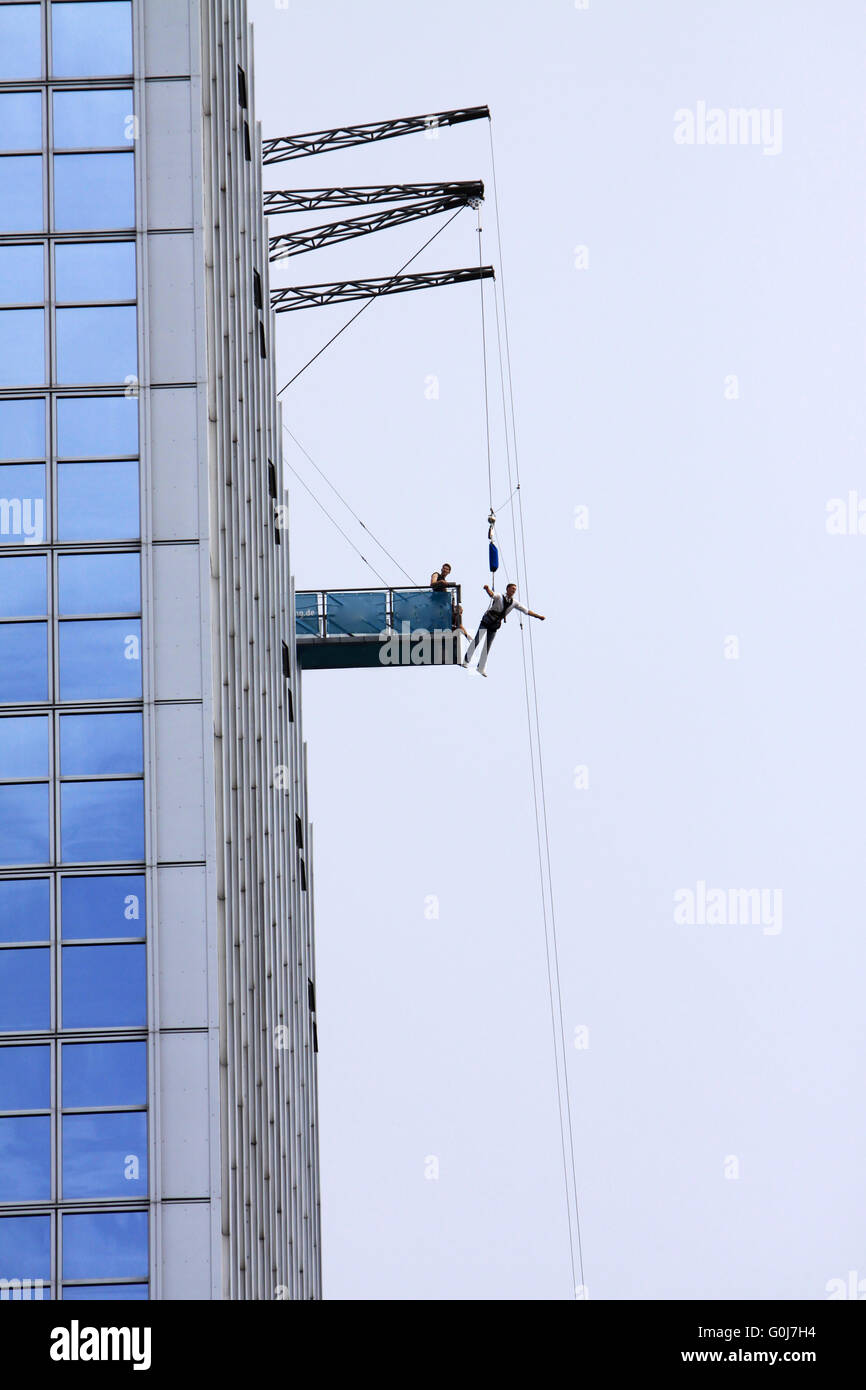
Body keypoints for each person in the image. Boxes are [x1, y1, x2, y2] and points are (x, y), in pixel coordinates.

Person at [462, 582, 545, 676]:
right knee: (477, 640)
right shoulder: (499, 596)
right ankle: (466, 660)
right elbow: (491, 594)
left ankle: (480, 667)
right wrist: (487, 589)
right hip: (487, 620)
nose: (513, 591)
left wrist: (538, 616)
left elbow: (526, 611)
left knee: (487, 646)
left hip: (495, 624)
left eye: (515, 590)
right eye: (512, 589)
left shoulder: (514, 602)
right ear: (507, 589)